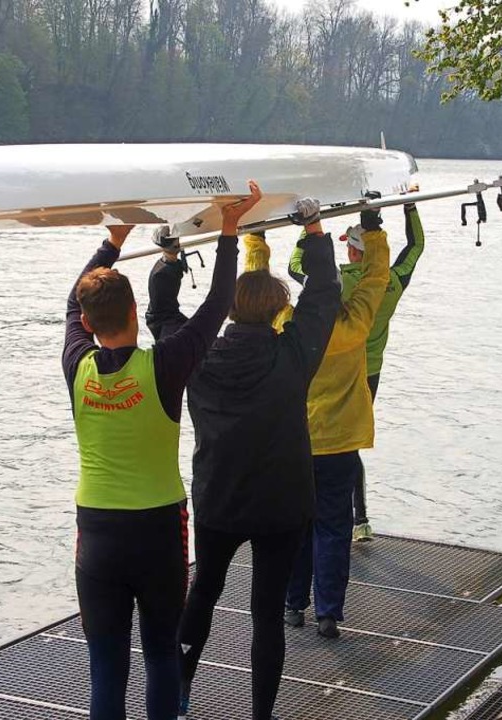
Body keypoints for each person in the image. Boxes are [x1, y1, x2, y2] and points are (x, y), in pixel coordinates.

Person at [62, 181, 261, 720]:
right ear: (134, 310)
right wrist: (227, 229)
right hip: (157, 535)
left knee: (106, 668)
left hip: (97, 535)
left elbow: (70, 306)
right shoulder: (164, 366)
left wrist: (111, 243)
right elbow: (218, 306)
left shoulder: (76, 363)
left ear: (87, 324)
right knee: (159, 658)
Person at [146, 198, 340, 720]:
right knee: (266, 615)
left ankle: (180, 690)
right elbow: (325, 294)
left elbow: (161, 315)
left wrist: (170, 260)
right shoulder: (293, 353)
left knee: (204, 590)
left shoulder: (196, 354)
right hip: (283, 502)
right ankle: (260, 716)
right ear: (279, 309)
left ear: (229, 310)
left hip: (219, 498)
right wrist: (314, 229)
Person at [289, 197, 425, 541]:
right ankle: (360, 519)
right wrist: (408, 206)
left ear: (351, 252)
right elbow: (416, 246)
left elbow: (296, 267)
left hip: (334, 363)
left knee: (325, 441)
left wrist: (304, 227)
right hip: (371, 372)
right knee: (350, 447)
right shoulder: (390, 281)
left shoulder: (332, 282)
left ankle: (319, 512)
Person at [284, 206, 390, 640]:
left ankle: (293, 605)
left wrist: (254, 241)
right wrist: (374, 229)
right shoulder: (356, 324)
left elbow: (256, 288)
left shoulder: (287, 324)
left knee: (296, 526)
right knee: (333, 527)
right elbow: (376, 278)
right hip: (341, 444)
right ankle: (328, 612)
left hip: (297, 443)